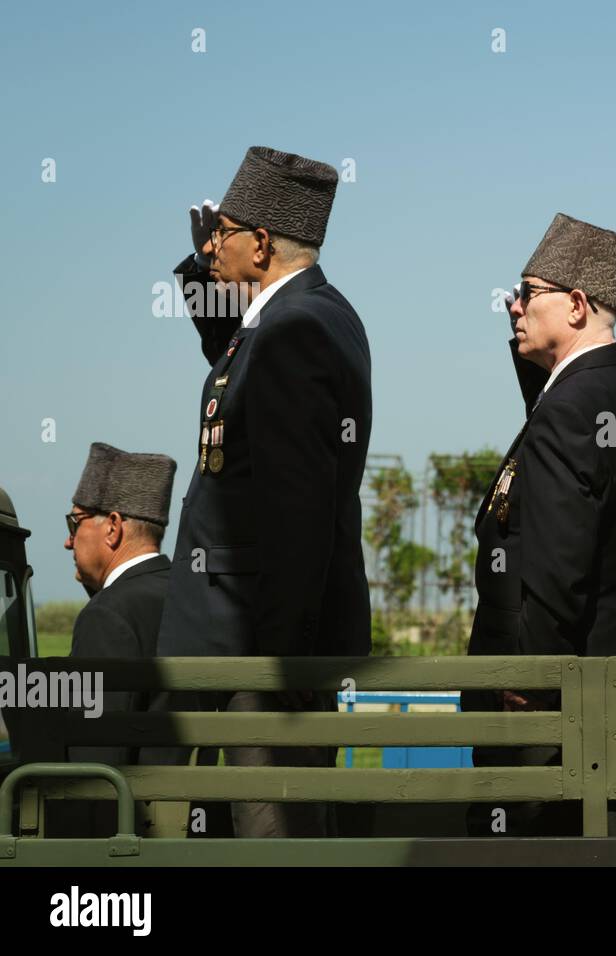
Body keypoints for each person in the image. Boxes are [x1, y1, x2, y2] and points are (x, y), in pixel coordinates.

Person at [157, 146, 373, 838]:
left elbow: (297, 508)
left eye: (222, 236)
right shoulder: (293, 319)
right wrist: (200, 268)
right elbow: (230, 356)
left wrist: (287, 659)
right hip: (245, 643)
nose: (211, 245)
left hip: (260, 648)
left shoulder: (297, 329)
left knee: (272, 840)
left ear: (260, 242)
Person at [464, 213, 616, 837]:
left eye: (528, 292)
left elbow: (558, 562)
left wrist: (536, 676)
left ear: (577, 304)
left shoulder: (568, 409)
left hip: (546, 692)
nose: (513, 305)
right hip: (606, 671)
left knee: (532, 844)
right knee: (607, 829)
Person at [53, 442, 175, 836]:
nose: (69, 542)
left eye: (75, 524)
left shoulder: (108, 614)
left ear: (113, 527)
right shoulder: (187, 600)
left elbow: (95, 771)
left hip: (126, 846)